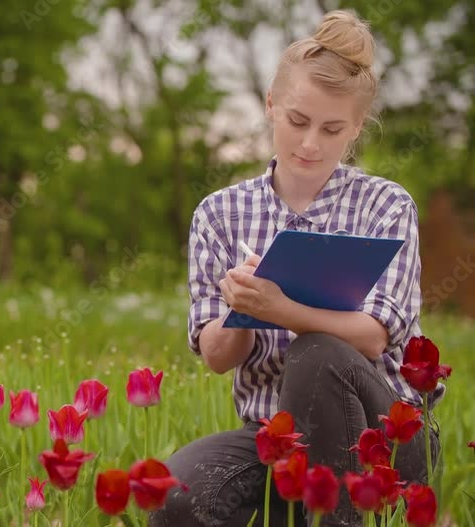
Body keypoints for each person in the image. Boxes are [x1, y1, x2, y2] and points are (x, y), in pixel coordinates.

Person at [150, 10, 444, 527]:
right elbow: (218, 357)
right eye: (297, 121)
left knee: (317, 352)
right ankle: (300, 507)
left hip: (386, 443)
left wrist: (283, 307)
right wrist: (244, 308)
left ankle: (339, 517)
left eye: (332, 129)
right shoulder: (219, 214)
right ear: (270, 105)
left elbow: (375, 339)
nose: (310, 143)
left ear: (355, 128)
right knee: (178, 498)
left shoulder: (386, 206)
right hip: (276, 440)